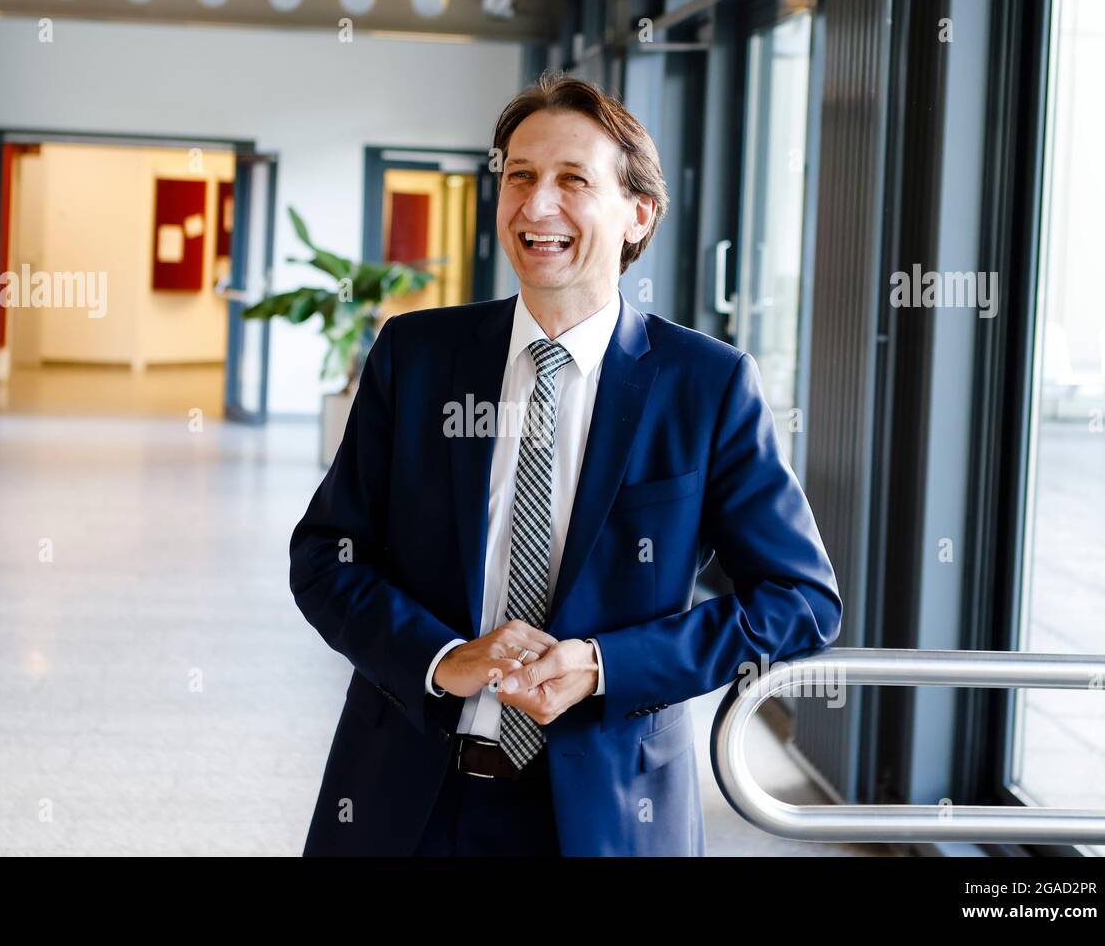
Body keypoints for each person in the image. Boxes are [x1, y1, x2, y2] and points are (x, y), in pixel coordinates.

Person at [291, 70, 842, 856]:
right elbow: (324, 555)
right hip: (406, 796)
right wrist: (441, 659)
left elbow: (800, 601)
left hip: (608, 814)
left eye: (572, 180)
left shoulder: (706, 384)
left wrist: (605, 665)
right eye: (519, 176)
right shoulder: (415, 357)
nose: (536, 205)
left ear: (636, 214)